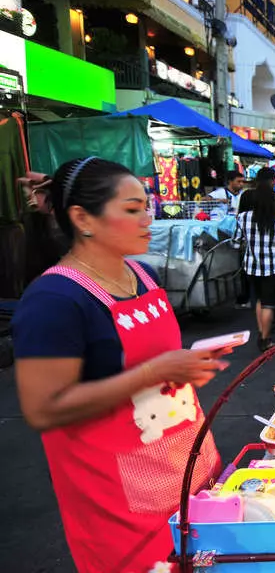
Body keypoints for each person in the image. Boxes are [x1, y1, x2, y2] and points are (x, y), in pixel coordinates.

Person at [12, 157, 223, 573]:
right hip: (121, 506)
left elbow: (154, 363)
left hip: (189, 472)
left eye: (146, 206)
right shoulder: (54, 300)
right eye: (131, 209)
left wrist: (186, 367)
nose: (148, 218)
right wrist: (155, 372)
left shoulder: (141, 275)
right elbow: (43, 408)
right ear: (82, 218)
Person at [234, 167, 275, 351]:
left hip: (251, 267)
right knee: (269, 303)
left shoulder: (242, 218)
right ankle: (266, 340)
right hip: (272, 267)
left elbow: (236, 243)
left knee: (259, 300)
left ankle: (262, 333)